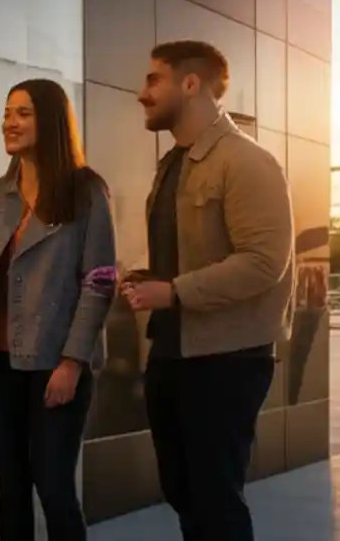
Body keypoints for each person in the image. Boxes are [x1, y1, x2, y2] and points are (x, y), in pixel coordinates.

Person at [123, 40, 294, 540]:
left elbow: (265, 262)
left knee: (216, 502)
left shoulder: (248, 161)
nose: (142, 93)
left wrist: (173, 291)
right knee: (183, 493)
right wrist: (142, 279)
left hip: (227, 360)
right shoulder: (172, 163)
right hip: (172, 353)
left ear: (190, 84)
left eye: (154, 79)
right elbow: (185, 257)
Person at [0, 79, 116, 541]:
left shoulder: (86, 191)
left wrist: (73, 362)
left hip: (55, 363)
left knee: (53, 487)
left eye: (23, 113)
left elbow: (99, 282)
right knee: (12, 487)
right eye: (7, 112)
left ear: (49, 120)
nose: (10, 122)